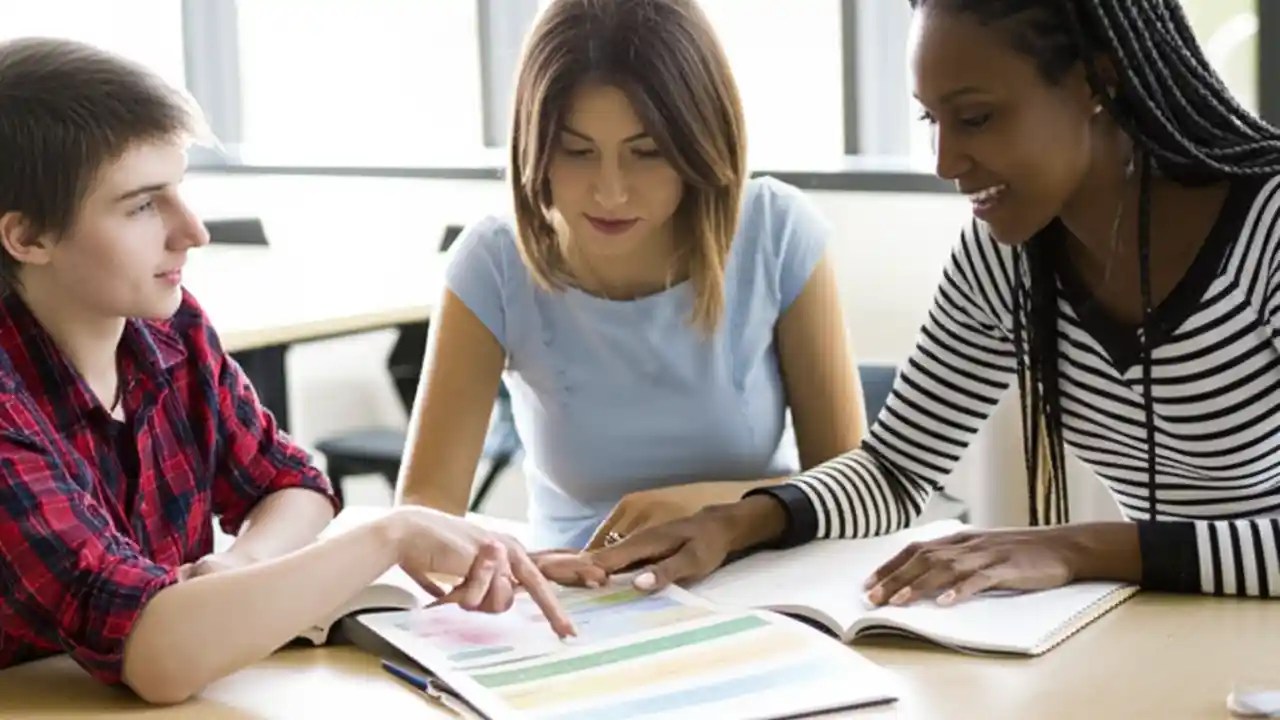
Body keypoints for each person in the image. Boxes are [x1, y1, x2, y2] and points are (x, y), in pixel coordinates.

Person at [552, 0, 1280, 603]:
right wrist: (739, 523)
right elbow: (896, 470)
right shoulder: (1005, 257)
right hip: (1168, 625)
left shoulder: (1267, 226)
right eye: (932, 120)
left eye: (976, 117)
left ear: (1096, 79)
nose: (943, 163)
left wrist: (1074, 547)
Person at [0, 37, 572, 704]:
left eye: (180, 190)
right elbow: (156, 656)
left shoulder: (170, 334)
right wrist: (391, 532)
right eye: (142, 205)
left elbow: (292, 483)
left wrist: (241, 564)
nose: (194, 230)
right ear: (28, 238)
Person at [395, 0, 864, 551]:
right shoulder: (493, 262)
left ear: (699, 143)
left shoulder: (777, 232)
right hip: (578, 598)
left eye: (646, 153)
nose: (611, 191)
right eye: (577, 151)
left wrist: (713, 508)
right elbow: (423, 514)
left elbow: (852, 490)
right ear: (536, 147)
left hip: (759, 582)